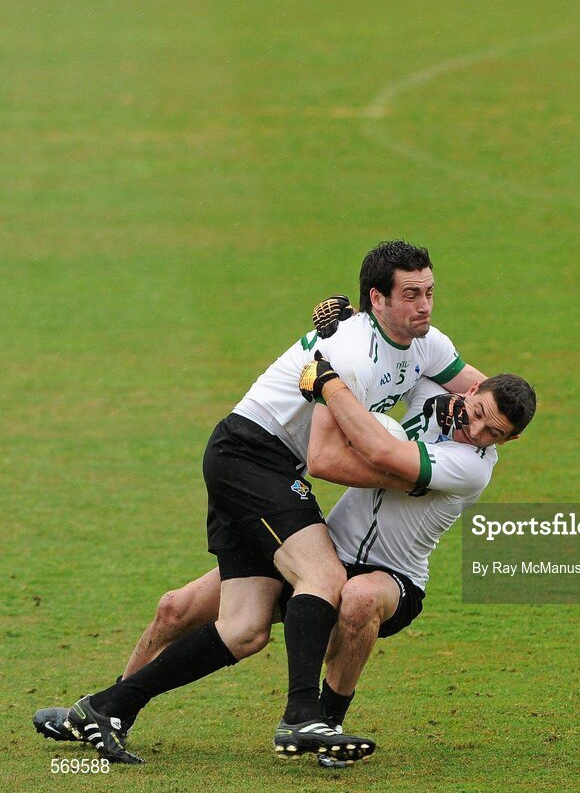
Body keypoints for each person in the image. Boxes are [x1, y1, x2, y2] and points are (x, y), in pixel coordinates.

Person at [60, 240, 486, 764]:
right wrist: (407, 478)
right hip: (252, 457)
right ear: (378, 299)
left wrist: (465, 411)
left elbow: (491, 394)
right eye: (411, 295)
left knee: (243, 629)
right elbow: (325, 461)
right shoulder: (351, 355)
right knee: (325, 578)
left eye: (430, 293)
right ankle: (304, 716)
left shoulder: (427, 343)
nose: (424, 306)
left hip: (260, 463)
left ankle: (107, 709)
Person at [36, 373, 535, 769]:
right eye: (475, 415)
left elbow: (380, 451)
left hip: (393, 577)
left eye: (495, 434)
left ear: (507, 442)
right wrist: (345, 321)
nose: (476, 433)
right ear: (470, 391)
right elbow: (420, 352)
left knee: (356, 597)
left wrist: (329, 383)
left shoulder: (471, 468)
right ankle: (106, 711)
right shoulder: (442, 393)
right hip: (325, 552)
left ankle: (325, 729)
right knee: (175, 609)